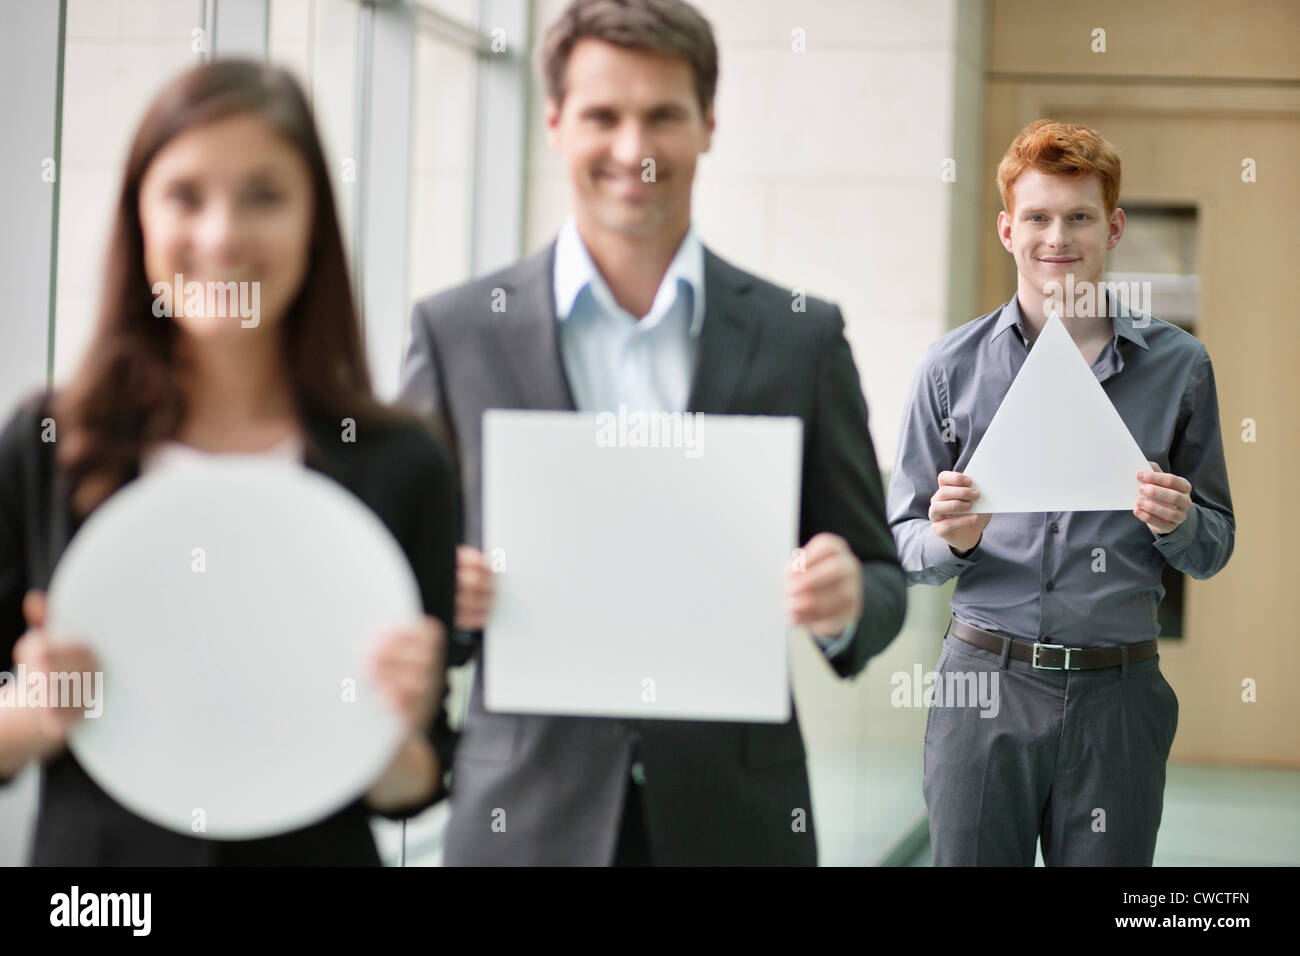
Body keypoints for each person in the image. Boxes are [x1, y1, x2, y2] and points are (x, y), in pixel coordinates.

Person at [400, 0, 905, 866]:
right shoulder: (458, 335)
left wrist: (848, 600)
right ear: (555, 123)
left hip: (736, 817)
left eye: (663, 115)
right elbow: (398, 588)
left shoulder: (800, 338)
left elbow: (882, 572)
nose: (634, 145)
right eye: (603, 115)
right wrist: (445, 601)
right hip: (523, 815)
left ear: (708, 124)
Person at [0, 60, 459, 865]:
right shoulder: (49, 447)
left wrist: (387, 729)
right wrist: (37, 712)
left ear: (314, 225)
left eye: (264, 196)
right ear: (137, 219)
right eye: (185, 196)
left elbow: (418, 779)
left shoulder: (402, 463)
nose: (221, 236)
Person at [888, 119, 1235, 866]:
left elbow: (1215, 546)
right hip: (981, 687)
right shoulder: (949, 367)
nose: (1058, 238)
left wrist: (1179, 525)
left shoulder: (1180, 367)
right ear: (1008, 229)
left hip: (1119, 695)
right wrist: (950, 537)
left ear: (1112, 228)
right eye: (1039, 217)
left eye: (1079, 217)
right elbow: (899, 544)